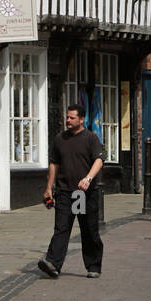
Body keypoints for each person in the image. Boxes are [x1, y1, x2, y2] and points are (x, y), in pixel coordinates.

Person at [38, 103, 104, 278]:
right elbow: (54, 163)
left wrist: (88, 178)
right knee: (61, 228)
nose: (68, 120)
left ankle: (93, 266)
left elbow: (98, 161)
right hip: (65, 191)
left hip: (83, 194)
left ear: (82, 119)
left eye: (72, 117)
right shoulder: (60, 139)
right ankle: (53, 263)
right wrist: (49, 188)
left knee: (88, 230)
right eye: (67, 117)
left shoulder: (91, 138)